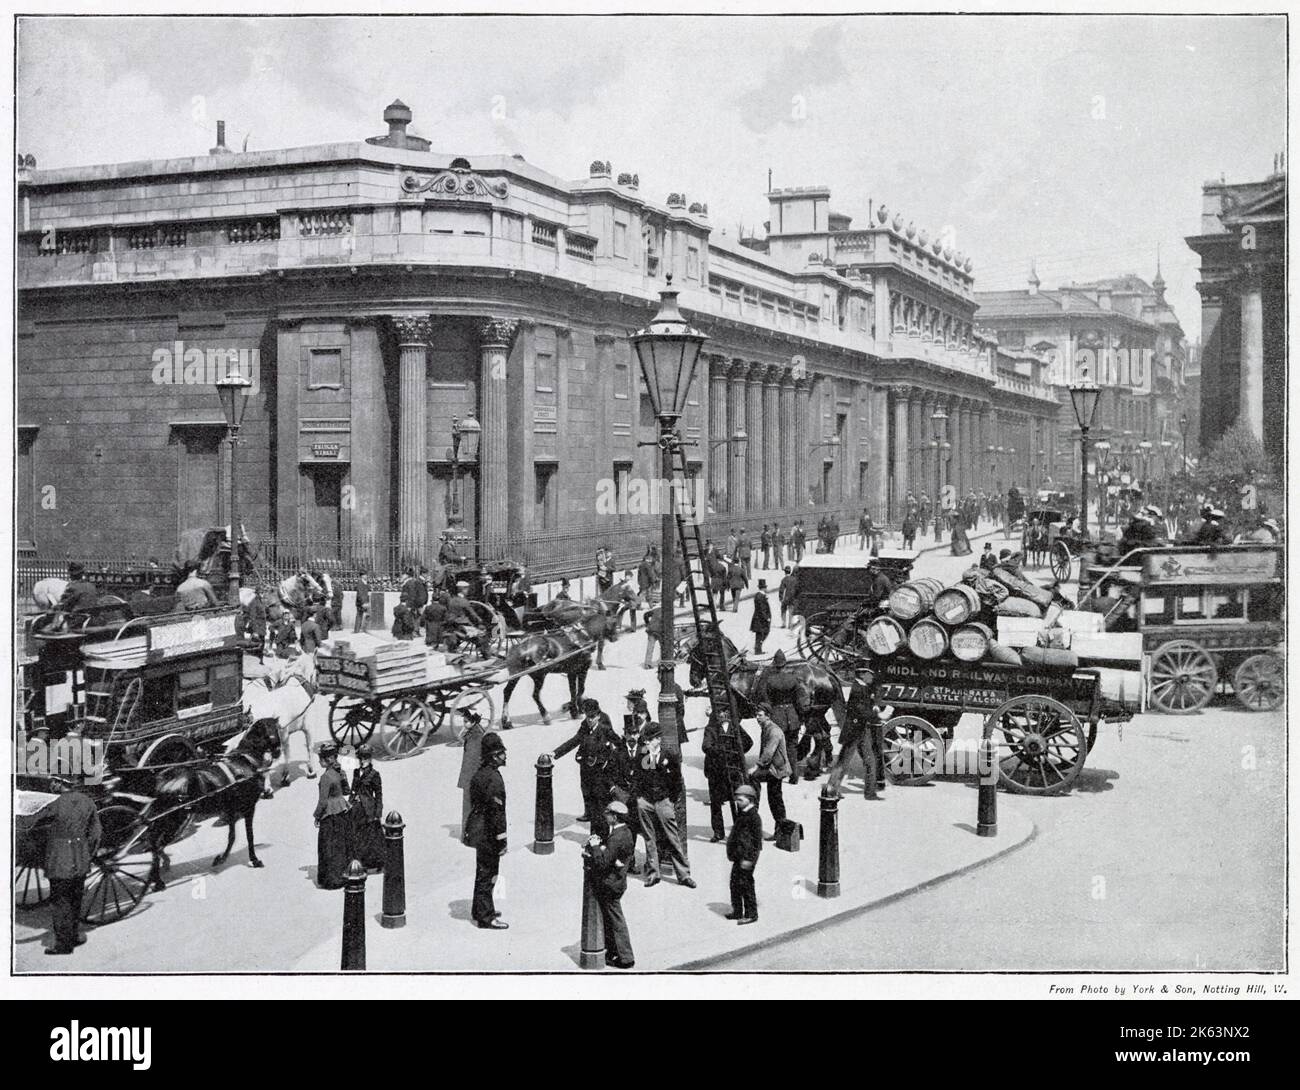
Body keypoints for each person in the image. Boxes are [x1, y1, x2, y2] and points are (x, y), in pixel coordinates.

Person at [42, 775, 102, 954]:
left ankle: (63, 945)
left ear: (61, 783)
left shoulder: (53, 803)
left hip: (59, 860)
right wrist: (86, 853)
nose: (51, 784)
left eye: (53, 781)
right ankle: (74, 936)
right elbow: (95, 834)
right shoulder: (88, 802)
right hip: (81, 858)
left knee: (60, 902)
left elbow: (33, 823)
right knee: (75, 900)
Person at [633, 723, 695, 888]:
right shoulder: (642, 755)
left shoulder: (670, 756)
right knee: (649, 838)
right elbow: (637, 778)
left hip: (663, 801)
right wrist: (639, 798)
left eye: (649, 740)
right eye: (646, 740)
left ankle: (683, 874)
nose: (646, 743)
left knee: (672, 837)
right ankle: (654, 874)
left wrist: (671, 800)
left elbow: (676, 780)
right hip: (645, 801)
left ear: (657, 739)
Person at [583, 799, 637, 968]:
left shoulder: (617, 837)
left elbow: (603, 863)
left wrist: (595, 846)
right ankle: (614, 952)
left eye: (608, 814)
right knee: (610, 918)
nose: (605, 816)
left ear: (615, 817)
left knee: (615, 920)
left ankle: (626, 957)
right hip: (618, 882)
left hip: (611, 884)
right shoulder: (625, 832)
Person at [465, 732, 509, 929]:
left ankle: (479, 908)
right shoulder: (494, 779)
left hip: (478, 829)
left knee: (481, 870)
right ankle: (486, 916)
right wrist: (502, 840)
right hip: (489, 833)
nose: (504, 756)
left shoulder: (479, 774)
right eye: (501, 753)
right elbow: (497, 813)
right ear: (493, 756)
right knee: (489, 874)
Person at [554, 698, 616, 829]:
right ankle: (590, 813)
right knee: (586, 789)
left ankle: (602, 818)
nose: (589, 719)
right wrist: (555, 753)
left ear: (597, 714)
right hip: (586, 764)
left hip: (599, 766)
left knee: (600, 797)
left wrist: (606, 761)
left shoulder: (604, 722)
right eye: (587, 715)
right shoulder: (585, 723)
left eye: (591, 716)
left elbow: (613, 743)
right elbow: (575, 740)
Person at [828, 669, 886, 800]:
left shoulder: (862, 687)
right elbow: (860, 710)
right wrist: (878, 714)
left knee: (867, 761)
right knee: (844, 762)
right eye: (870, 674)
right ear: (863, 675)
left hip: (859, 730)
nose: (872, 677)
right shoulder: (858, 689)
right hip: (854, 731)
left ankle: (869, 793)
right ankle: (832, 789)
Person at [702, 710, 752, 841]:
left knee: (739, 800)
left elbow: (748, 742)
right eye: (720, 713)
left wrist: (737, 751)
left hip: (732, 770)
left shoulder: (735, 728)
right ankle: (718, 832)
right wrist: (721, 752)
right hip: (716, 771)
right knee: (716, 802)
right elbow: (706, 746)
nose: (723, 715)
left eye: (725, 712)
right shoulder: (711, 729)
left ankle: (740, 830)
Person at [313, 742, 353, 890]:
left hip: (329, 815)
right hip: (342, 810)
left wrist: (317, 816)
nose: (319, 761)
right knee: (342, 845)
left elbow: (322, 801)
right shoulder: (340, 772)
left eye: (321, 759)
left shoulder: (325, 777)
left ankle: (331, 879)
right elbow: (347, 791)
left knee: (328, 847)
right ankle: (345, 874)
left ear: (328, 759)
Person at [726, 784, 762, 924]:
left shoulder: (754, 817)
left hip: (747, 858)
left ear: (750, 800)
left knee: (746, 884)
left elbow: (756, 842)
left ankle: (751, 913)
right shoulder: (743, 814)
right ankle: (737, 910)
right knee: (734, 883)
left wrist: (750, 859)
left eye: (740, 800)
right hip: (739, 855)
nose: (737, 802)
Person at [751, 708, 791, 831]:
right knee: (775, 798)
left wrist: (756, 767)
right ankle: (780, 828)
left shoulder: (773, 731)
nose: (757, 717)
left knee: (753, 778)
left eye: (760, 715)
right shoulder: (766, 727)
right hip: (774, 768)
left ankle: (753, 811)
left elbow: (768, 752)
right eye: (756, 715)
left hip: (776, 770)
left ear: (768, 716)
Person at [349, 743, 385, 872]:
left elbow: (379, 794)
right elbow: (353, 789)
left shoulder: (374, 774)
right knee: (358, 836)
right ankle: (360, 862)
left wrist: (378, 811)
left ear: (370, 759)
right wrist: (351, 802)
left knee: (372, 838)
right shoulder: (356, 772)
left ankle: (378, 862)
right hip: (357, 808)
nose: (362, 761)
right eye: (361, 758)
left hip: (369, 809)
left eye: (365, 758)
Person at [750, 579, 771, 655]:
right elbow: (762, 609)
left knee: (760, 634)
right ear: (763, 588)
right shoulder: (760, 596)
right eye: (765, 587)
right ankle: (758, 649)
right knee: (761, 633)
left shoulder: (759, 595)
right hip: (760, 619)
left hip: (758, 618)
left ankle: (758, 648)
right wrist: (766, 618)